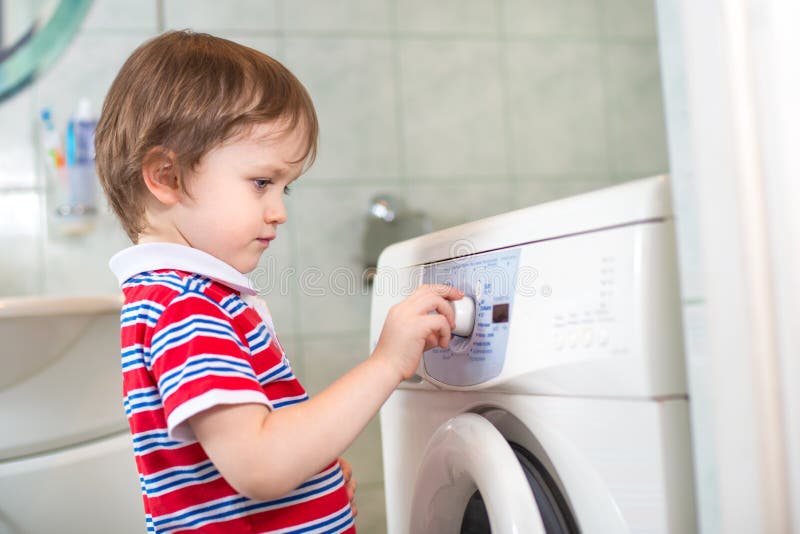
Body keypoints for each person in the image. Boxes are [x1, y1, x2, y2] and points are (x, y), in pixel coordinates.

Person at [95, 30, 463, 534]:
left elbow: (242, 458)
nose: (279, 211)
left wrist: (311, 477)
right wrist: (387, 362)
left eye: (284, 188)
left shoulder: (172, 297)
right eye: (262, 183)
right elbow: (262, 465)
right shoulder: (186, 305)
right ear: (166, 176)